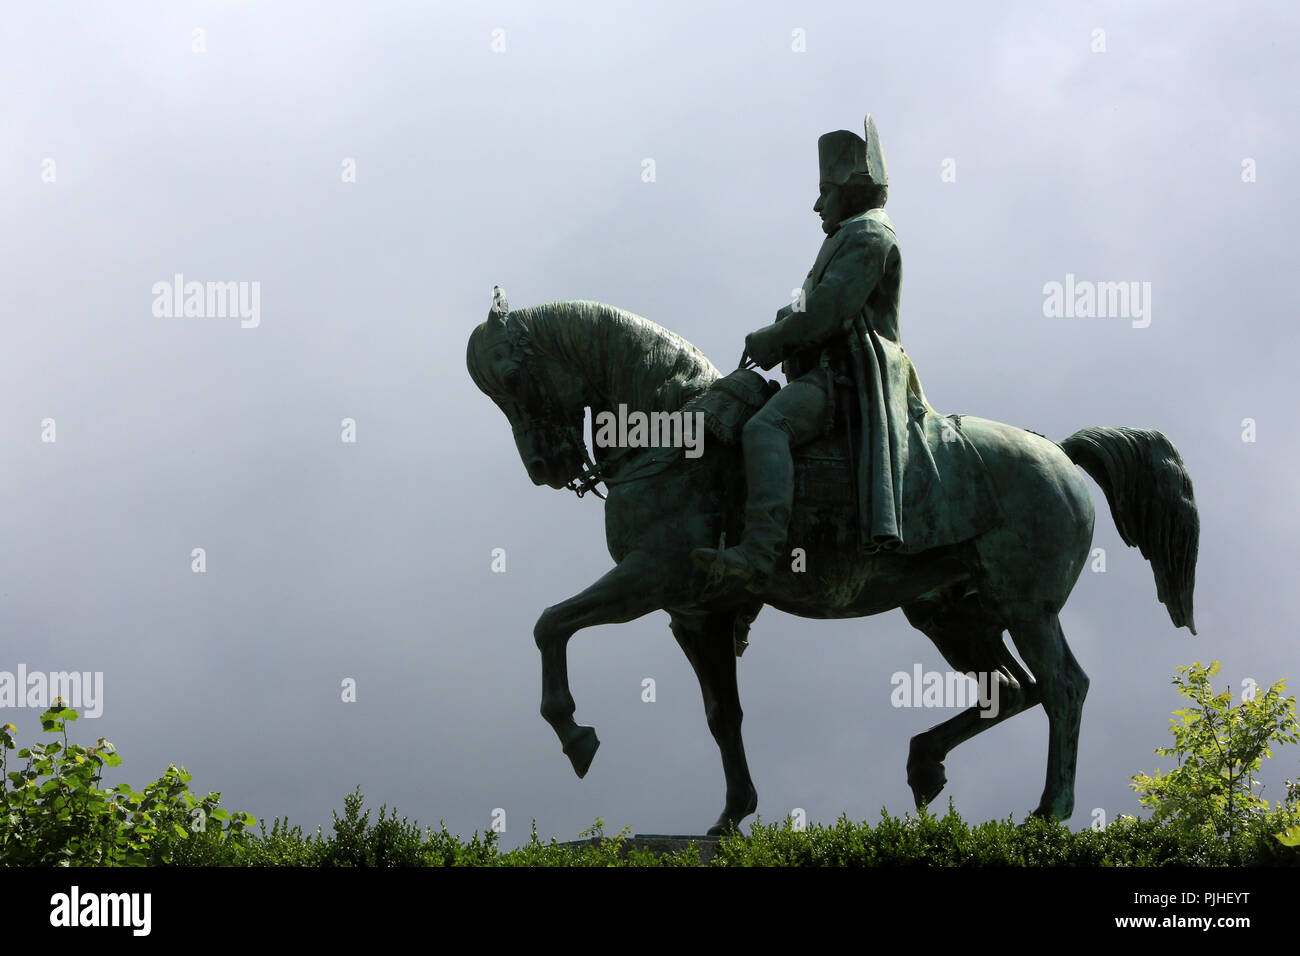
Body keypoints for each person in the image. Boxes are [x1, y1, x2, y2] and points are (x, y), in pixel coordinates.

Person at [691, 114, 911, 596]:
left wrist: (771, 341)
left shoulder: (869, 236)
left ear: (849, 193)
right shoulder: (847, 236)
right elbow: (808, 306)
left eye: (825, 192)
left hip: (849, 379)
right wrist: (775, 327)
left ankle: (756, 554)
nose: (817, 204)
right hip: (829, 372)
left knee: (766, 426)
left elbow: (825, 314)